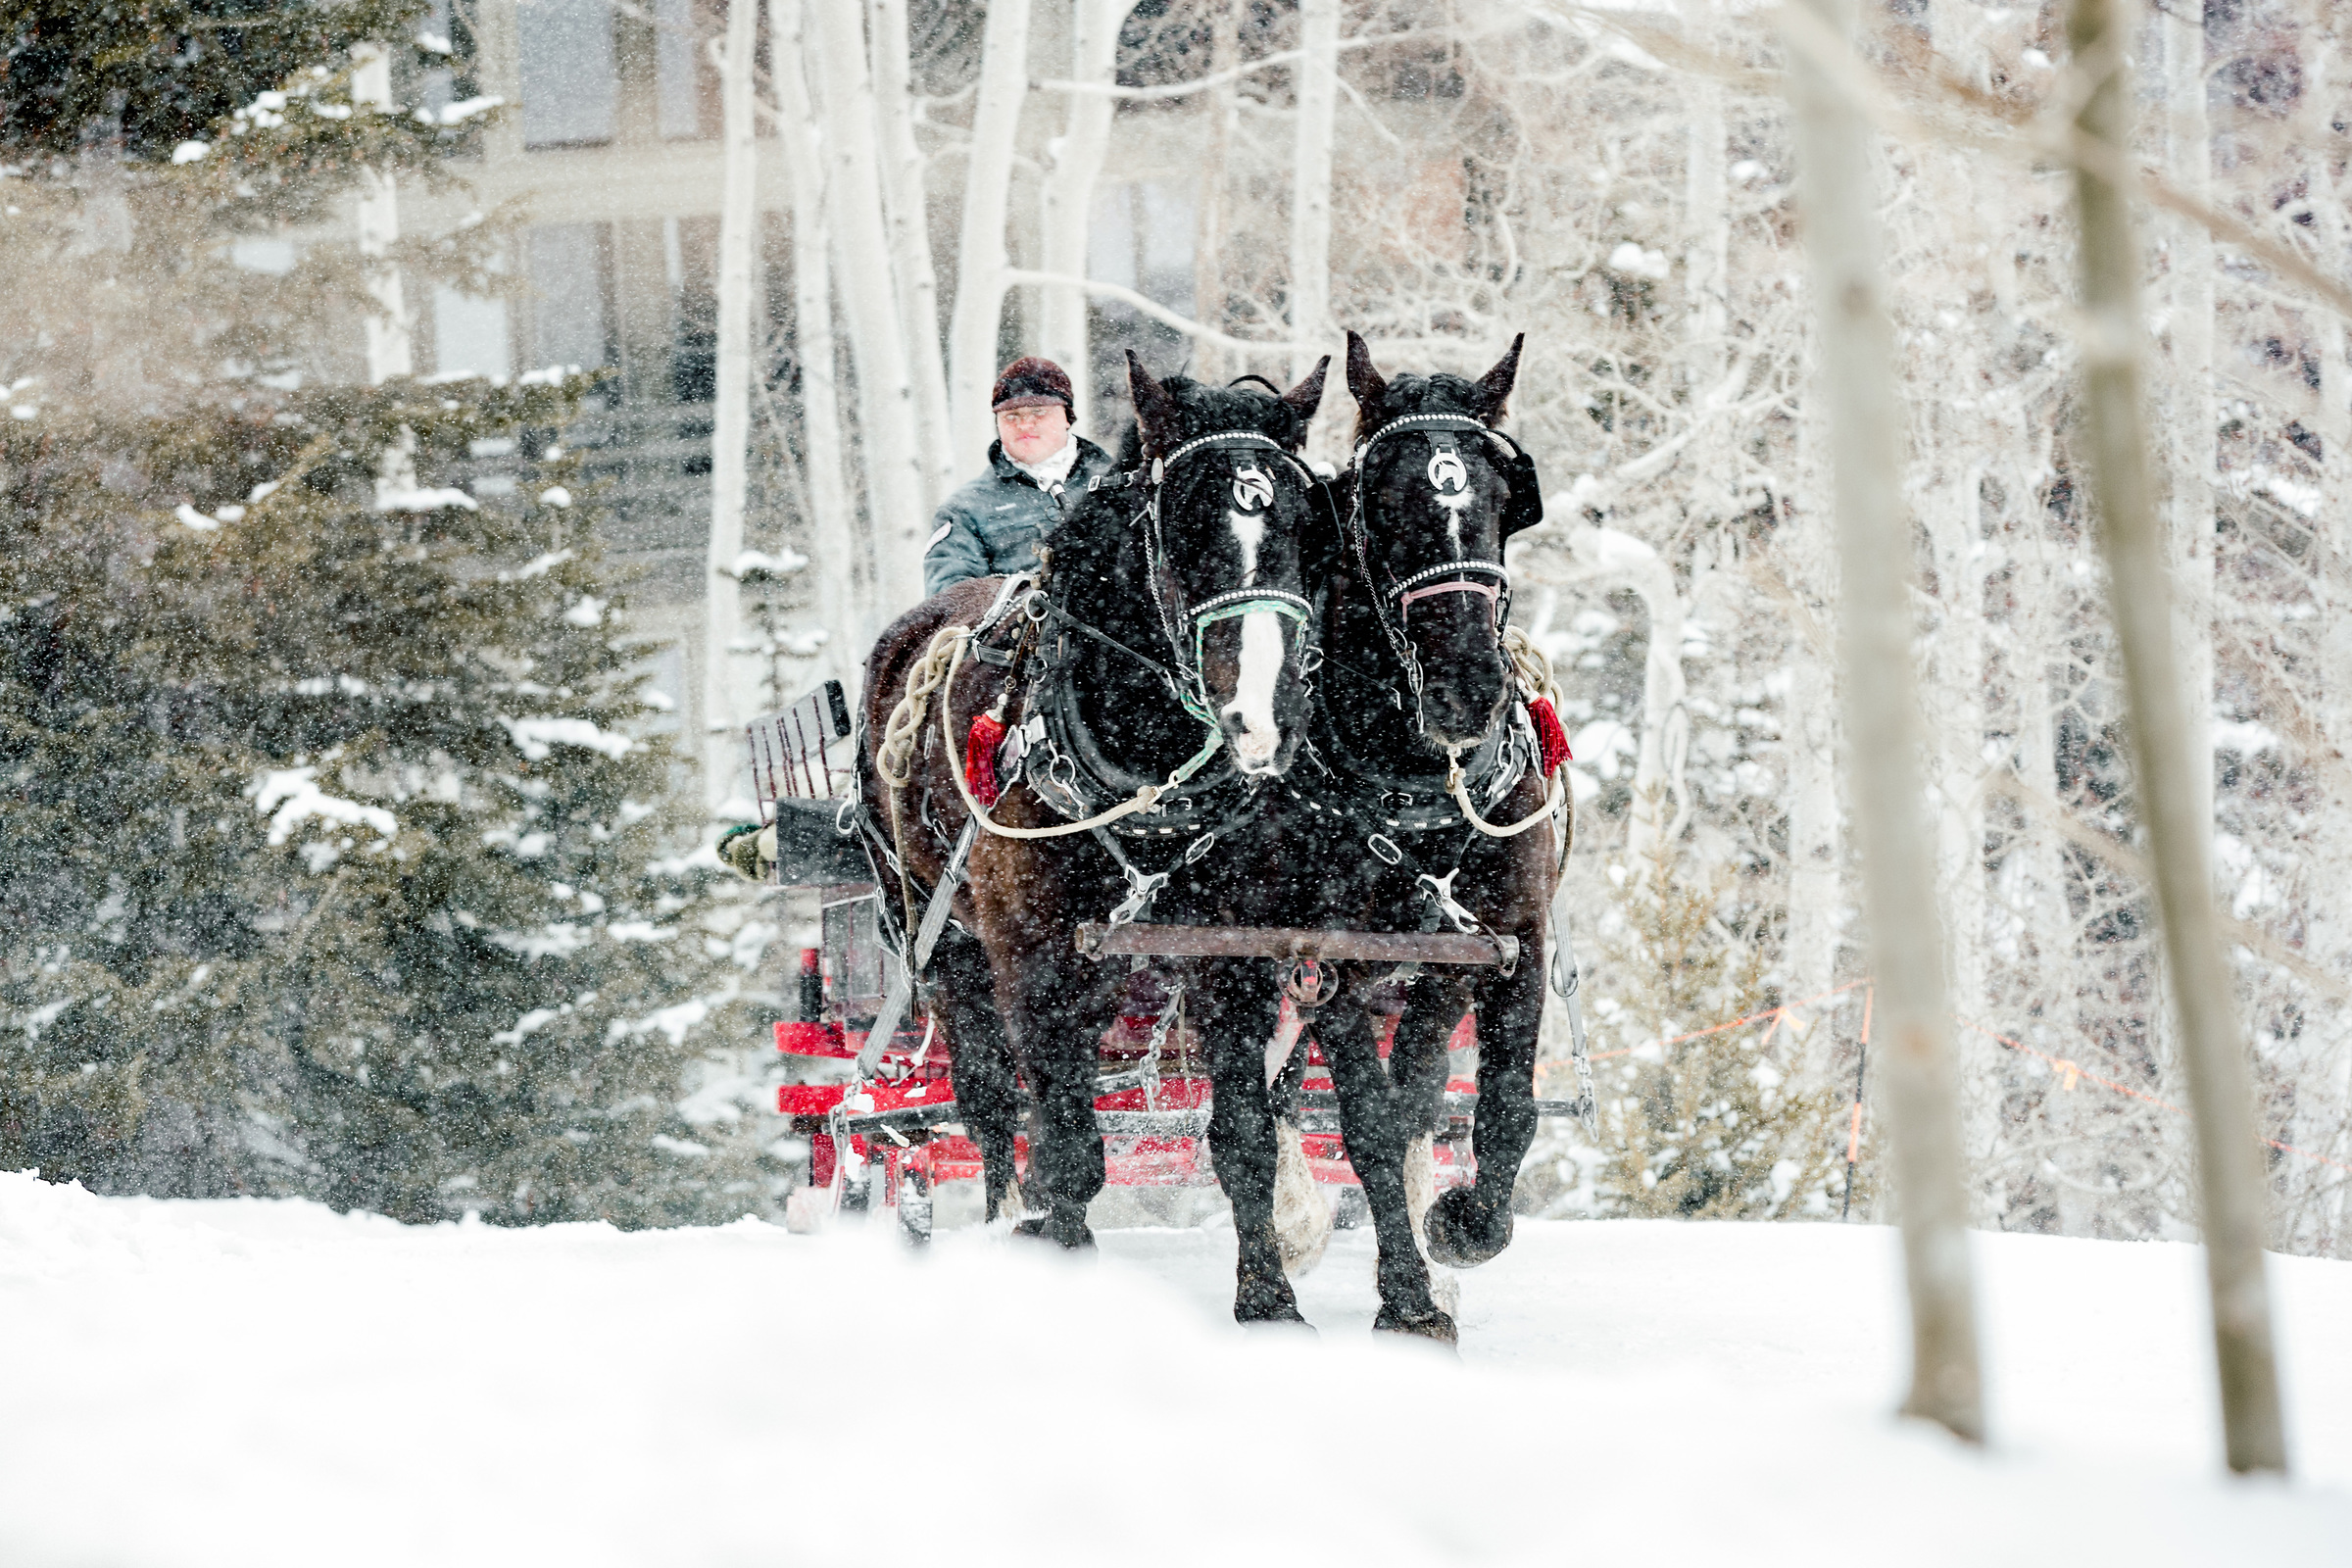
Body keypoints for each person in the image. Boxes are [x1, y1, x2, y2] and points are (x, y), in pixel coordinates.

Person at [922, 356, 1117, 598]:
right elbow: (950, 601)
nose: (1025, 424)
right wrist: (1028, 601)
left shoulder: (1120, 483)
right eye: (1011, 416)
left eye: (1038, 412)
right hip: (1023, 631)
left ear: (1067, 417)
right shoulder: (965, 510)